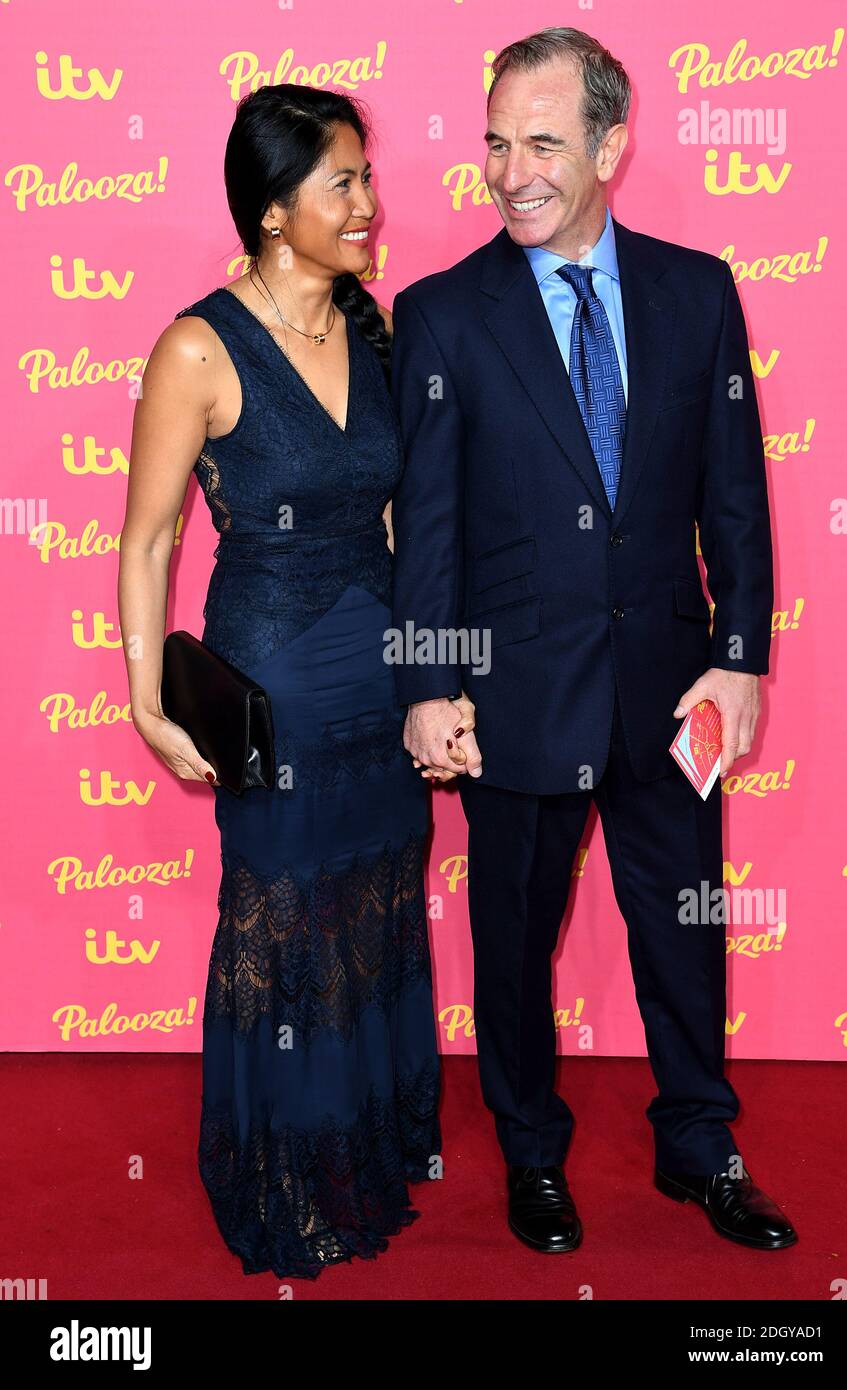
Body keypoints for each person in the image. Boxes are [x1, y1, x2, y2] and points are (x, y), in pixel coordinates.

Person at [390, 27, 797, 1254]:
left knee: (685, 926)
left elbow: (736, 495)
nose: (510, 173)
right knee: (514, 942)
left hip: (674, 687)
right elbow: (428, 530)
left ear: (611, 147)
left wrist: (741, 654)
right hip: (514, 690)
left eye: (543, 143)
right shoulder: (441, 315)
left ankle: (701, 1145)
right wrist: (429, 685)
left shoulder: (698, 291)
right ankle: (531, 1151)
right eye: (495, 144)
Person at [117, 84, 476, 1278]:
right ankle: (284, 1172)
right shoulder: (198, 347)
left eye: (369, 178)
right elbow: (150, 539)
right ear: (274, 212)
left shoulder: (378, 333)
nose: (370, 203)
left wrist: (435, 677)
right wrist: (146, 699)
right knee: (283, 920)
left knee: (375, 906)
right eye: (344, 182)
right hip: (273, 685)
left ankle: (368, 1151)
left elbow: (409, 526)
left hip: (382, 675)